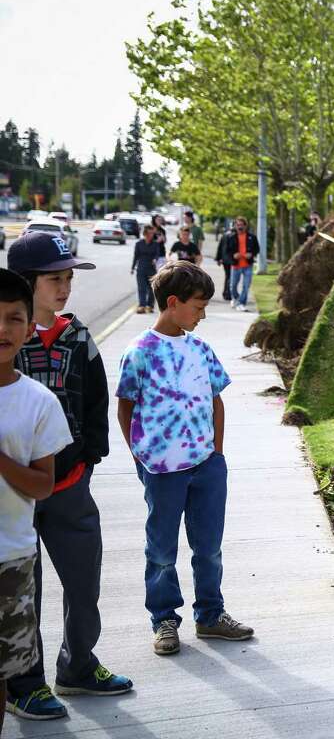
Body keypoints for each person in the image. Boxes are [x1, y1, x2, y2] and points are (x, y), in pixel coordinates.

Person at [3, 234, 133, 722]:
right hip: (15, 493)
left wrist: (91, 457)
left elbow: (96, 400)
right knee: (22, 589)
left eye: (69, 278)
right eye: (55, 278)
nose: (65, 287)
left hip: (70, 482)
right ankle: (25, 683)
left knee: (83, 582)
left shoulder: (77, 336)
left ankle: (78, 664)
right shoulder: (9, 339)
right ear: (25, 283)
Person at [115, 261, 254, 656]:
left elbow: (216, 400)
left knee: (208, 547)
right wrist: (140, 456)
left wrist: (217, 454)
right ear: (173, 303)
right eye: (198, 306)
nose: (203, 314)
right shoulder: (140, 352)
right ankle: (164, 620)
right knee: (161, 550)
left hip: (206, 466)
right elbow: (125, 407)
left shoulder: (200, 349)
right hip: (161, 471)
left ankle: (211, 615)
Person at [0, 269, 73, 736]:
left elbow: (43, 486)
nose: (1, 329)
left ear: (29, 329)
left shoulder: (38, 402)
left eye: (13, 319)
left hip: (10, 560)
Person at [224, 217, 259, 312]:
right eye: (238, 225)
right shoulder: (230, 237)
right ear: (235, 226)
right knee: (233, 286)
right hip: (236, 265)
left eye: (241, 225)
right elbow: (227, 251)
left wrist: (251, 254)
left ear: (245, 226)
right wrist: (233, 255)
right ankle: (235, 298)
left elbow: (257, 249)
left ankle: (241, 303)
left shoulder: (252, 237)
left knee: (246, 285)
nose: (240, 227)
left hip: (248, 265)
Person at [130, 225, 159, 314]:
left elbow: (157, 254)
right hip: (141, 268)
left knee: (151, 288)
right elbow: (136, 256)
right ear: (145, 233)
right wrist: (132, 267)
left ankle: (150, 306)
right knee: (141, 288)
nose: (151, 235)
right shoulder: (139, 244)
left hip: (151, 269)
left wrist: (155, 259)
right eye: (149, 233)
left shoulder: (155, 244)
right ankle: (142, 306)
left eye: (152, 233)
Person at [214, 222, 234, 301]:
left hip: (225, 260)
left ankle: (226, 292)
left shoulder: (225, 235)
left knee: (228, 276)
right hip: (231, 260)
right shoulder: (233, 236)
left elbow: (220, 247)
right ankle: (228, 293)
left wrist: (218, 258)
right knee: (230, 276)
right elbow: (221, 247)